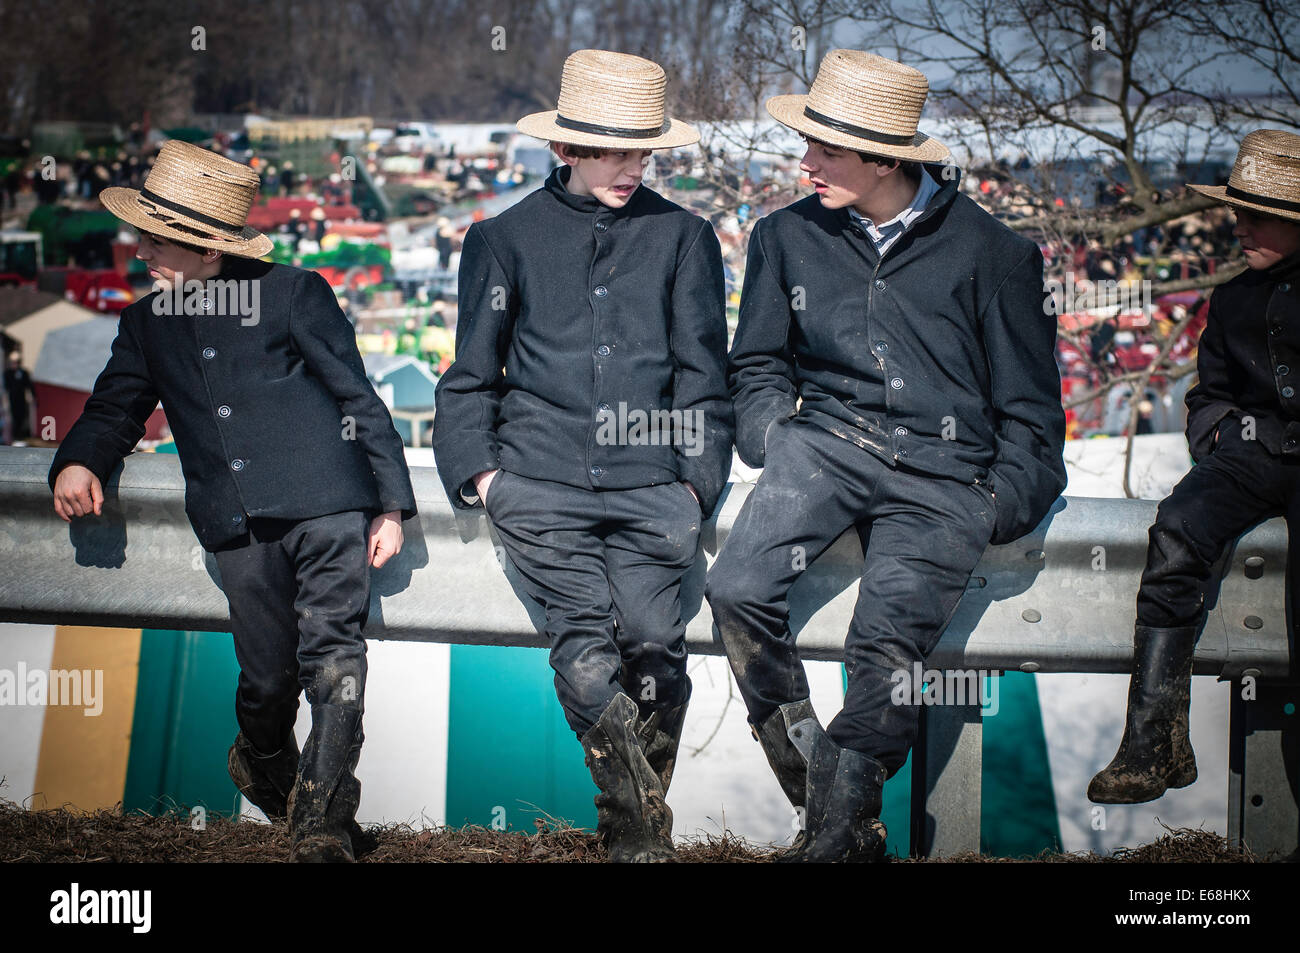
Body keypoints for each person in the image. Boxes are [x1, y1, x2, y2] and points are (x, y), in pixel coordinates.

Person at [705, 50, 1066, 862]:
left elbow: (1034, 419)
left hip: (945, 478)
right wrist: (773, 436)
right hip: (824, 448)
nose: (806, 165)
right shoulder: (785, 236)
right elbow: (756, 363)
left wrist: (993, 504)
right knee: (735, 587)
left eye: (824, 151)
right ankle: (830, 800)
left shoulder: (996, 256)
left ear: (883, 158)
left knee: (887, 650)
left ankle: (836, 834)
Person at [48, 141, 417, 862]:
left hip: (328, 507)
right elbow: (116, 407)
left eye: (156, 239)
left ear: (209, 251)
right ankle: (261, 757)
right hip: (236, 527)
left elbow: (358, 397)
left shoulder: (295, 292)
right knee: (268, 678)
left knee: (336, 661)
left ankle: (322, 827)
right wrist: (79, 458)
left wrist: (391, 505)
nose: (141, 250)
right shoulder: (147, 323)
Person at [432, 49, 732, 862]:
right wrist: (489, 481)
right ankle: (636, 827)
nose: (630, 168)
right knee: (586, 649)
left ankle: (632, 814)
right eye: (611, 152)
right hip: (537, 484)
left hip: (654, 491)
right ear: (564, 148)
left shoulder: (685, 238)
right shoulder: (502, 239)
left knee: (656, 652)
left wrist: (695, 489)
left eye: (641, 152)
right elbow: (469, 376)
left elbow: (707, 379)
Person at [1089, 129, 1300, 807]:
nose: (1238, 225)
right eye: (1237, 211)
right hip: (1252, 455)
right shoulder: (1235, 296)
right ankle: (1153, 740)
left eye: (1256, 216)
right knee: (1178, 523)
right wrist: (1219, 443)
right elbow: (1209, 392)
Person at [4, 351, 36, 441]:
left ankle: (20, 435)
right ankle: (14, 435)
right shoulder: (8, 373)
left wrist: (33, 396)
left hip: (21, 398)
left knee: (21, 415)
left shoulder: (23, 372)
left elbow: (29, 385)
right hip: (12, 398)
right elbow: (7, 386)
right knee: (14, 416)